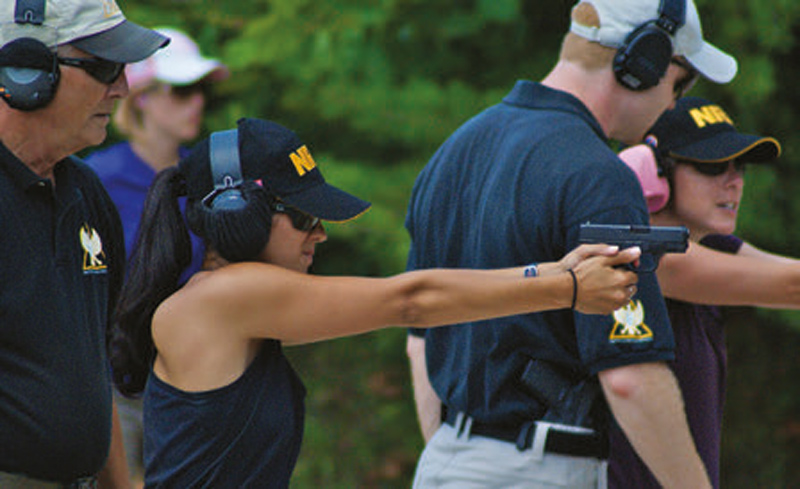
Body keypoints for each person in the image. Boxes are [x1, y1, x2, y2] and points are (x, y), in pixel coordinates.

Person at [109, 117, 642, 487]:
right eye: (304, 217)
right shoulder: (226, 297)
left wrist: (561, 272)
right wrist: (566, 289)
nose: (319, 234)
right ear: (237, 214)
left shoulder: (229, 305)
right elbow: (409, 300)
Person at [404, 0, 737, 487]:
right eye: (680, 82)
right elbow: (630, 378)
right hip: (538, 470)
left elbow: (420, 340)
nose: (674, 103)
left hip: (444, 462)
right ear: (644, 62)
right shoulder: (600, 177)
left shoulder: (455, 150)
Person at [0, 0, 169, 487]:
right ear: (26, 72)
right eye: (104, 68)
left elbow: (91, 370)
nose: (122, 88)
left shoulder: (85, 191)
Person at [610, 96, 800, 488]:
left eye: (739, 166)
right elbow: (792, 286)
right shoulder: (640, 252)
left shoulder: (712, 246)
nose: (734, 180)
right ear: (655, 172)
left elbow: (788, 274)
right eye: (712, 165)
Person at [84, 27, 228, 487]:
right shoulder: (95, 179)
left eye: (201, 91)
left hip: (193, 378)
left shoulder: (209, 178)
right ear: (142, 97)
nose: (196, 103)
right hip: (114, 382)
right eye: (182, 91)